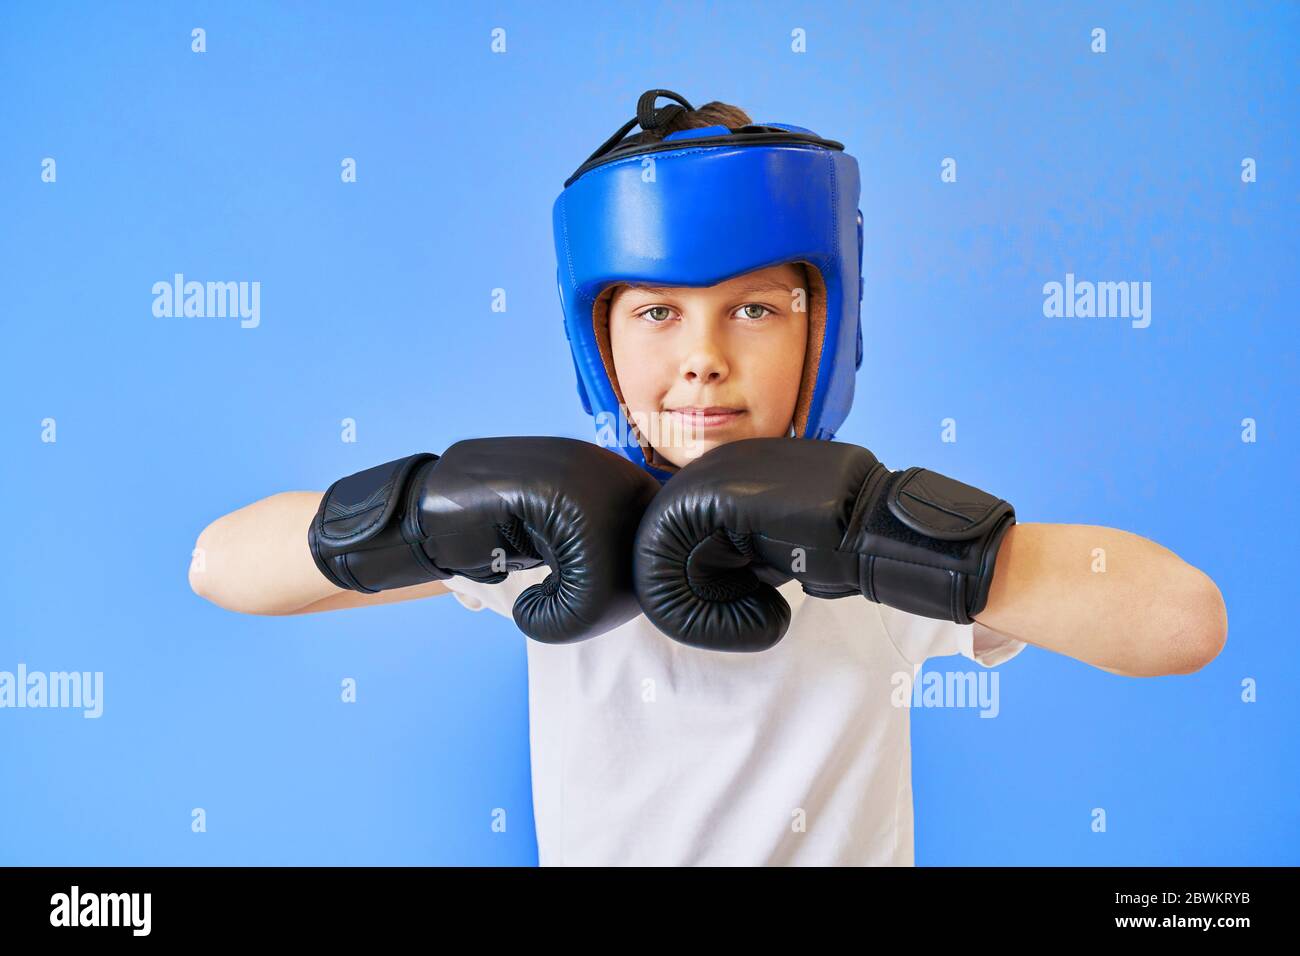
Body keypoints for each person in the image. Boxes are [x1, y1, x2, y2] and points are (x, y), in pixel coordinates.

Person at [189, 90, 1227, 866]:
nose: (702, 357)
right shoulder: (548, 531)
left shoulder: (867, 549)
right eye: (656, 311)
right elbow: (220, 566)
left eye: (754, 307)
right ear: (596, 330)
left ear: (827, 322)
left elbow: (1183, 621)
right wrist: (423, 507)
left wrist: (887, 530)